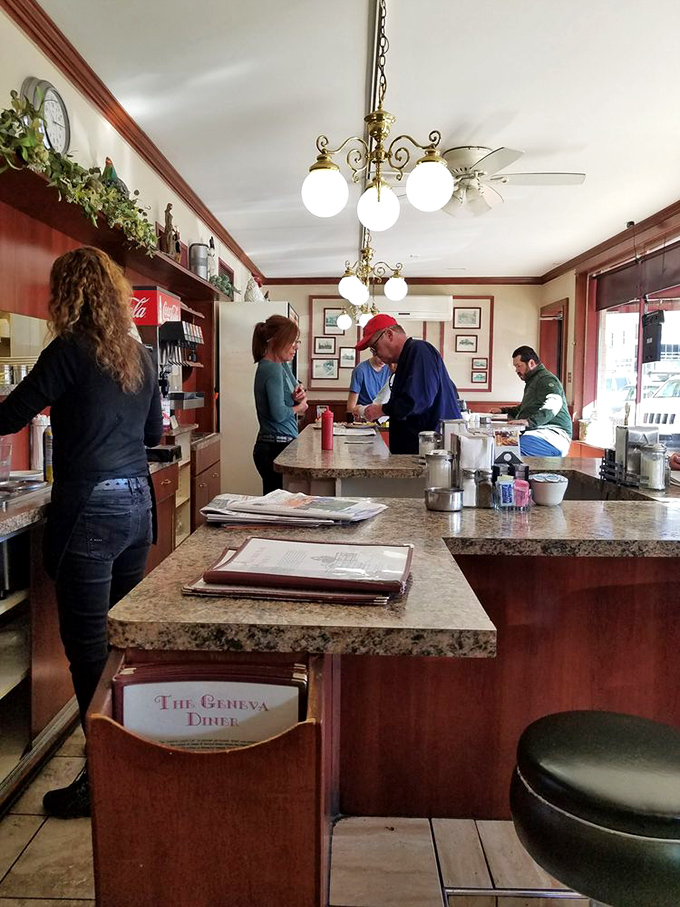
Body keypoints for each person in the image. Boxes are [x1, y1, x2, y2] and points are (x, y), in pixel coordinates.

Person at [0, 246, 162, 818]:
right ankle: (132, 753)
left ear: (68, 293)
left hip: (90, 510)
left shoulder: (67, 350)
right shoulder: (140, 357)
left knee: (89, 651)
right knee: (121, 644)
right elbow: (151, 432)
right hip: (137, 507)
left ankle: (103, 780)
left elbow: (8, 416)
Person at [360, 314, 461, 454]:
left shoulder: (419, 350)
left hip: (430, 454)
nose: (375, 354)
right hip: (421, 451)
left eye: (374, 347)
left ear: (389, 334)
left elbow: (418, 400)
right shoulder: (408, 358)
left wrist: (382, 409)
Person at [252, 315, 307, 493]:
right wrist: (299, 407)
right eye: (292, 342)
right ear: (276, 341)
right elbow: (278, 414)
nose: (296, 347)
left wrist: (299, 394)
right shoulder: (272, 369)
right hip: (275, 447)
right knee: (278, 508)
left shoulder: (280, 366)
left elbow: (297, 388)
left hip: (277, 445)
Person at [494, 346, 572, 457]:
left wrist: (530, 422)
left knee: (507, 452)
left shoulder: (545, 379)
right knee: (498, 445)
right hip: (535, 432)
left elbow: (554, 402)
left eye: (518, 366)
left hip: (552, 435)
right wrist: (502, 411)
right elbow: (524, 409)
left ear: (531, 363)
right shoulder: (533, 381)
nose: (516, 370)